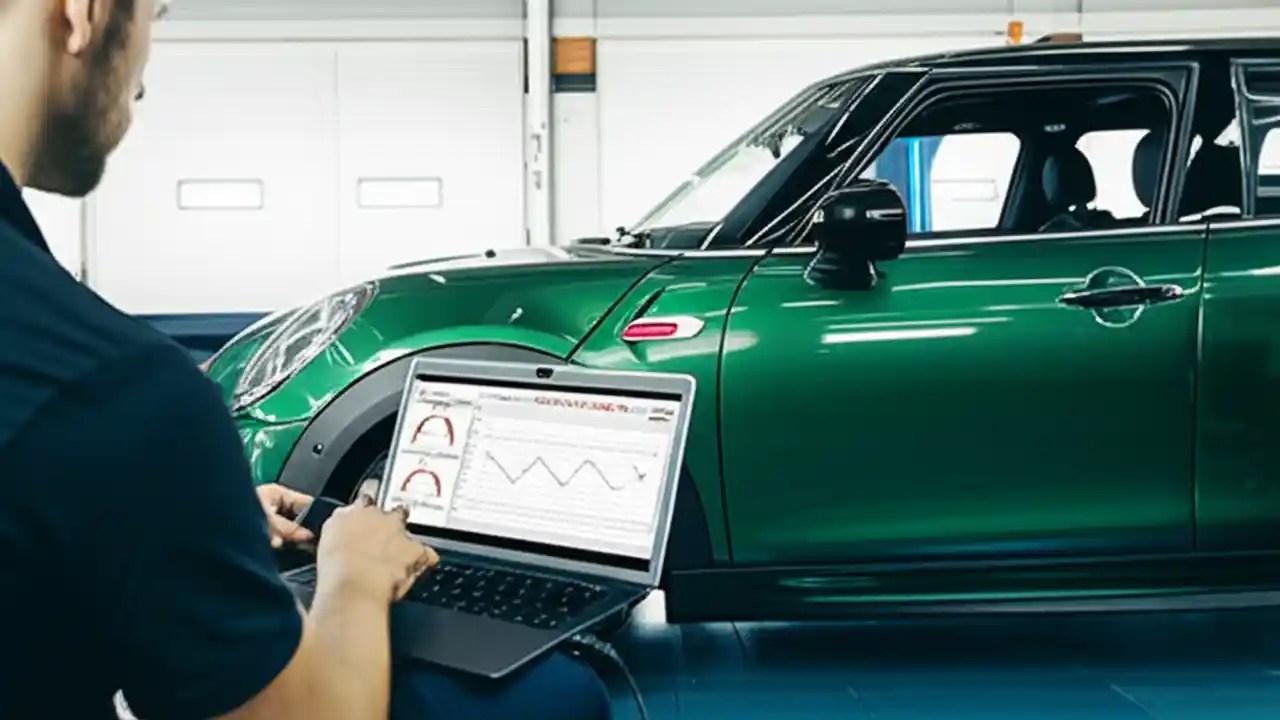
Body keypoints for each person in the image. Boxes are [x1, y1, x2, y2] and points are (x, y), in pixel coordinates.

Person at [0, 1, 613, 718]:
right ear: (84, 12)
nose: (143, 73)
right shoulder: (116, 387)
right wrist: (356, 571)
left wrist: (190, 516)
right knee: (560, 697)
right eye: (155, 14)